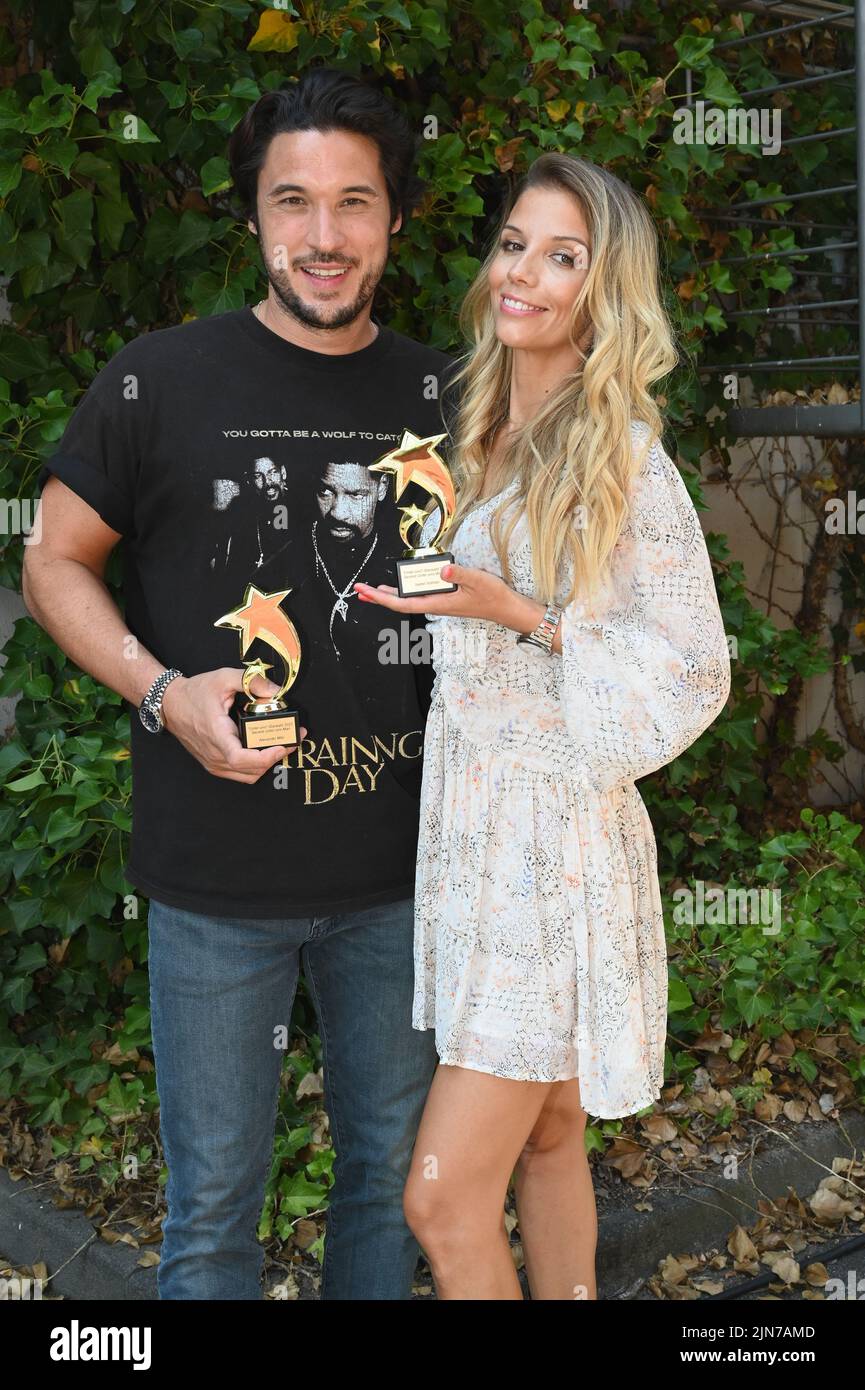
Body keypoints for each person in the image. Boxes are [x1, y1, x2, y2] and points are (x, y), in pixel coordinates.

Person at [22, 68, 455, 1301]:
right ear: (253, 215)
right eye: (292, 201)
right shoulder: (160, 379)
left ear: (395, 218)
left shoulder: (452, 395)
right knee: (212, 1214)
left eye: (354, 202)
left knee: (390, 1184)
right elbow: (52, 559)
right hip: (215, 884)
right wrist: (162, 690)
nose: (324, 236)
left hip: (409, 880)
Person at [354, 153, 732, 1300]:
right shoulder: (476, 433)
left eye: (561, 256)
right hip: (471, 822)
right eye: (514, 243)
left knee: (439, 1200)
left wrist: (517, 613)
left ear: (600, 290)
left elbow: (694, 666)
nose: (522, 271)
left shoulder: (623, 455)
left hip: (551, 848)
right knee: (551, 1135)